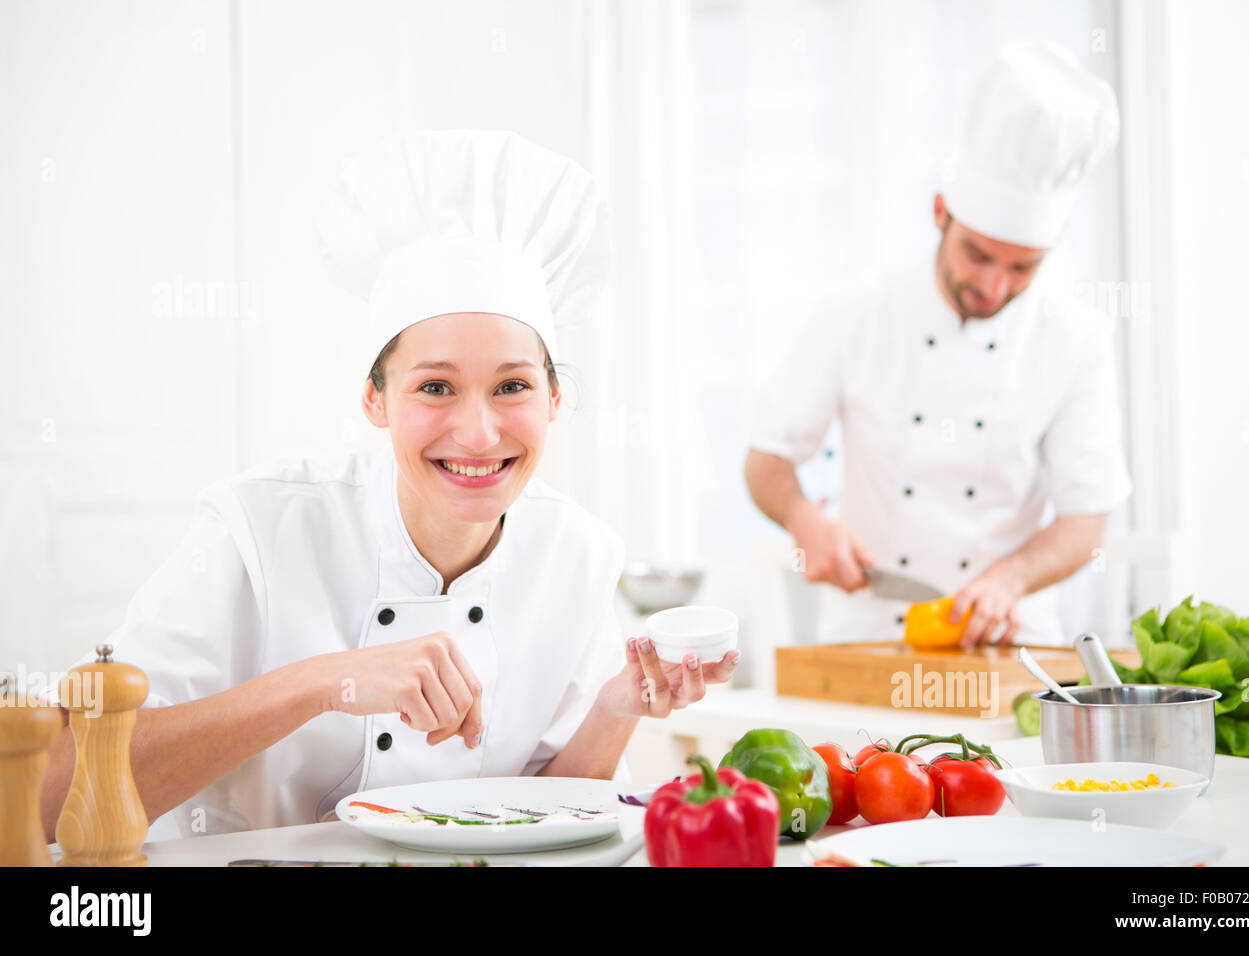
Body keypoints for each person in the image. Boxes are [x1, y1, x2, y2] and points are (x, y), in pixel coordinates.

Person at [40, 130, 738, 840]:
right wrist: (328, 682)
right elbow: (53, 791)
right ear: (375, 400)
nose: (477, 433)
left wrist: (614, 709)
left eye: (513, 386)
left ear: (555, 399)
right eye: (435, 386)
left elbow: (541, 826)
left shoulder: (577, 552)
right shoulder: (258, 527)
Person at [745, 43, 1131, 649]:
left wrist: (1011, 578)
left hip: (1012, 636)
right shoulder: (855, 312)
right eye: (977, 253)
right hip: (869, 630)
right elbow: (767, 458)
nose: (992, 285)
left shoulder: (1076, 339)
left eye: (1022, 268)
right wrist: (804, 520)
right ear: (940, 212)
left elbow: (1087, 520)